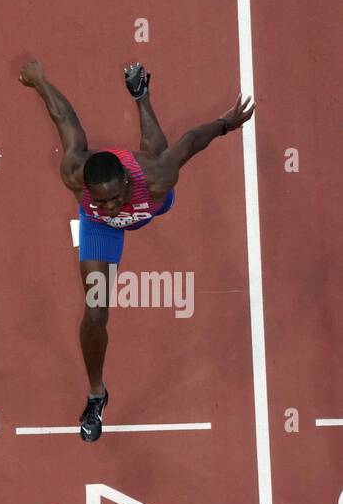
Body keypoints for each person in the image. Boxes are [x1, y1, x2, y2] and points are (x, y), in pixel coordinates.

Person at [19, 61, 254, 440]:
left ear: (125, 182)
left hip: (151, 206)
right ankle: (97, 395)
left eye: (115, 199)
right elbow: (63, 117)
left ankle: (142, 96)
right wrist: (40, 81)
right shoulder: (75, 174)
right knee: (95, 312)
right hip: (99, 233)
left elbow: (192, 140)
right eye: (103, 200)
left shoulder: (156, 176)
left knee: (157, 150)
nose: (113, 207)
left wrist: (228, 123)